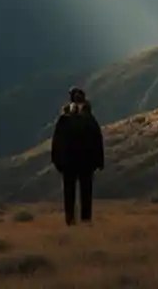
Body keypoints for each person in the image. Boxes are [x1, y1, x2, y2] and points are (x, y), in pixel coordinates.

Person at [50, 87, 104, 225]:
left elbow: (57, 142)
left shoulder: (65, 120)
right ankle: (84, 219)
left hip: (70, 162)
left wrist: (57, 160)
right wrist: (99, 160)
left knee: (70, 191)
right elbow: (98, 140)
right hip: (85, 162)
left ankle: (71, 219)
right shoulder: (89, 119)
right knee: (85, 191)